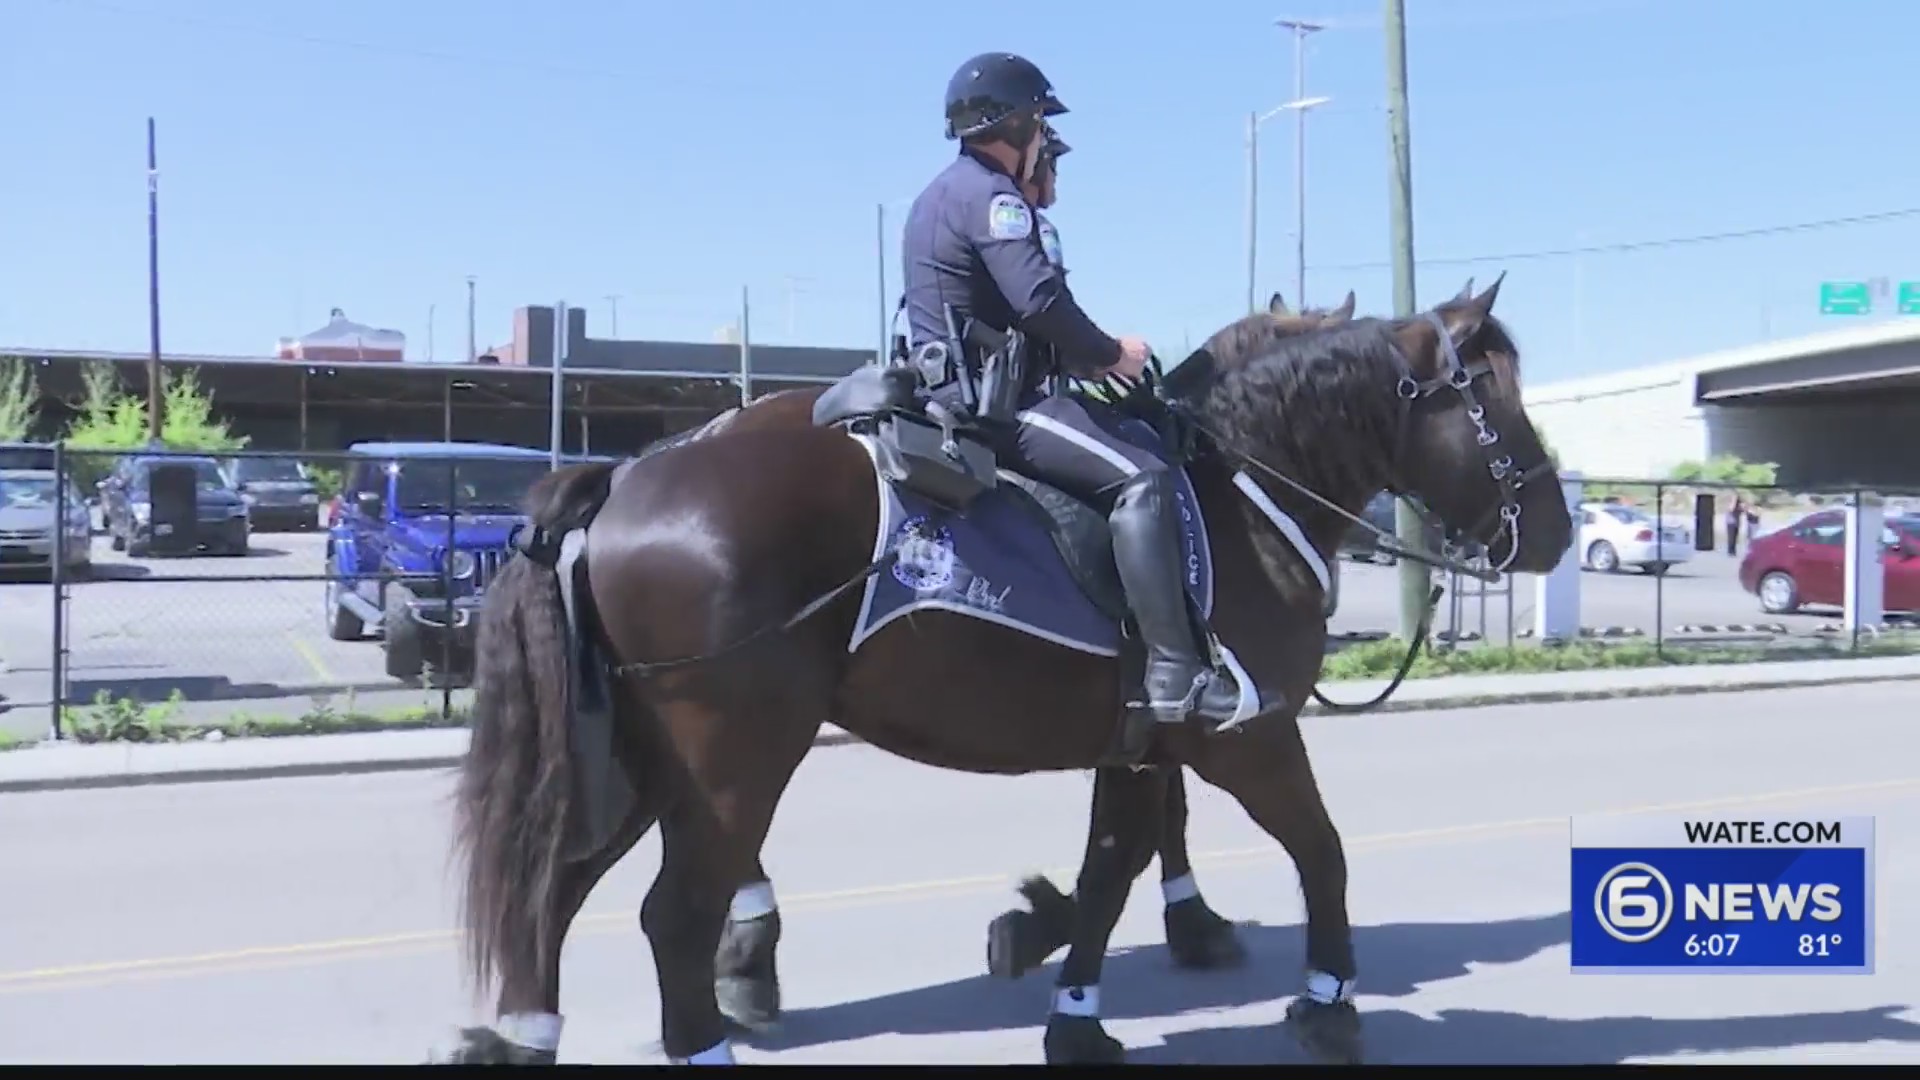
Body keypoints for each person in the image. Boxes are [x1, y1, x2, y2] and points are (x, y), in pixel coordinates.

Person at [901, 52, 1245, 734]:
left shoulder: (946, 192)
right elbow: (1039, 298)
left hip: (966, 388)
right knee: (1142, 476)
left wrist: (1085, 365)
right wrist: (1111, 352)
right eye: (1039, 124)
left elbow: (1003, 312)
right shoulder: (992, 196)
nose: (1041, 141)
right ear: (1020, 121)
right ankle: (1175, 668)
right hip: (1000, 410)